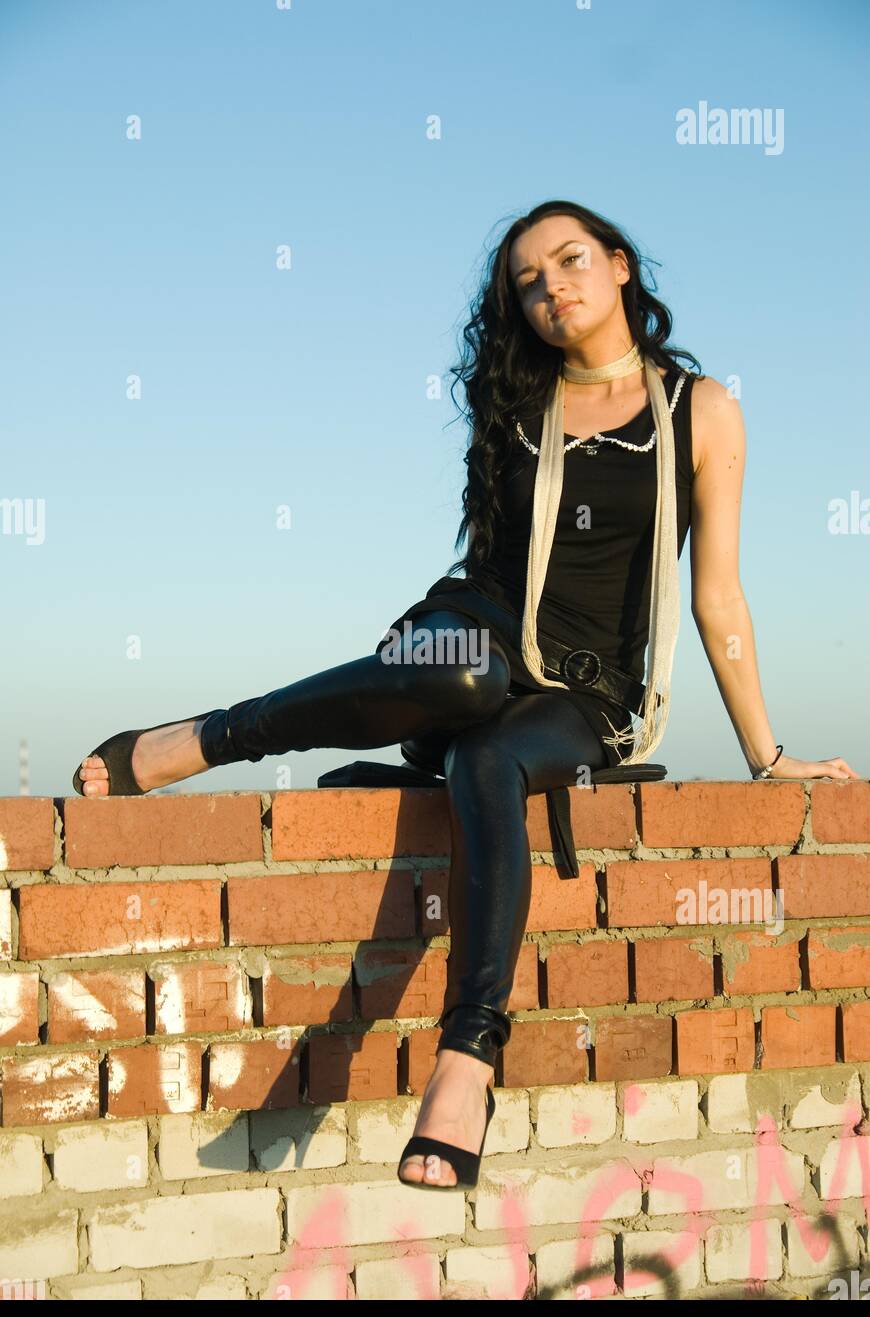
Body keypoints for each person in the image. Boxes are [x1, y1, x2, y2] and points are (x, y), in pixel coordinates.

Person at [72, 199, 860, 1193]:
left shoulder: (700, 411)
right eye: (528, 281)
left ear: (620, 267)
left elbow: (717, 592)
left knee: (488, 757)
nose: (551, 288)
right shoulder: (520, 403)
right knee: (465, 672)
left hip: (584, 690)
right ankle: (209, 737)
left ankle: (466, 1055)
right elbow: (487, 562)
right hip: (467, 637)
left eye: (570, 262)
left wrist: (768, 755)